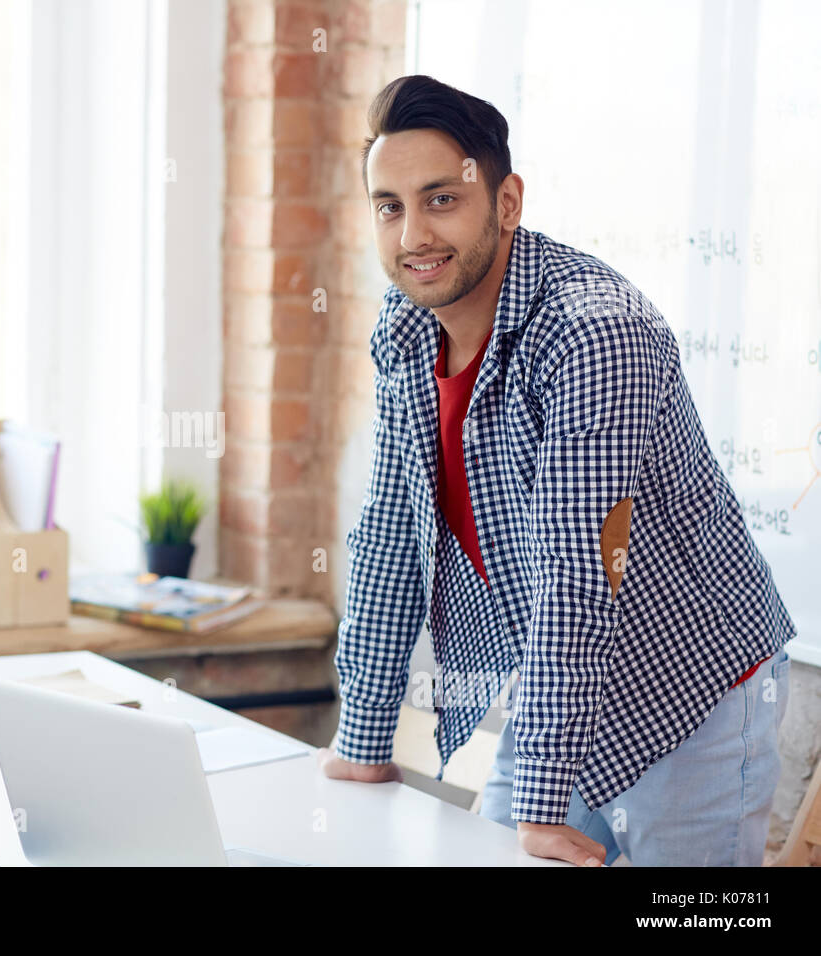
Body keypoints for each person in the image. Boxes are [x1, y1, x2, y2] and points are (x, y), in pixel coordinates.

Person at [316, 74, 793, 867]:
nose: (411, 237)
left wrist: (537, 802)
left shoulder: (593, 335)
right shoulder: (406, 327)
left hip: (691, 693)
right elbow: (393, 537)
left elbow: (580, 568)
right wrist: (362, 737)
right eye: (389, 206)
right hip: (561, 688)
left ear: (506, 203)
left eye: (441, 199)